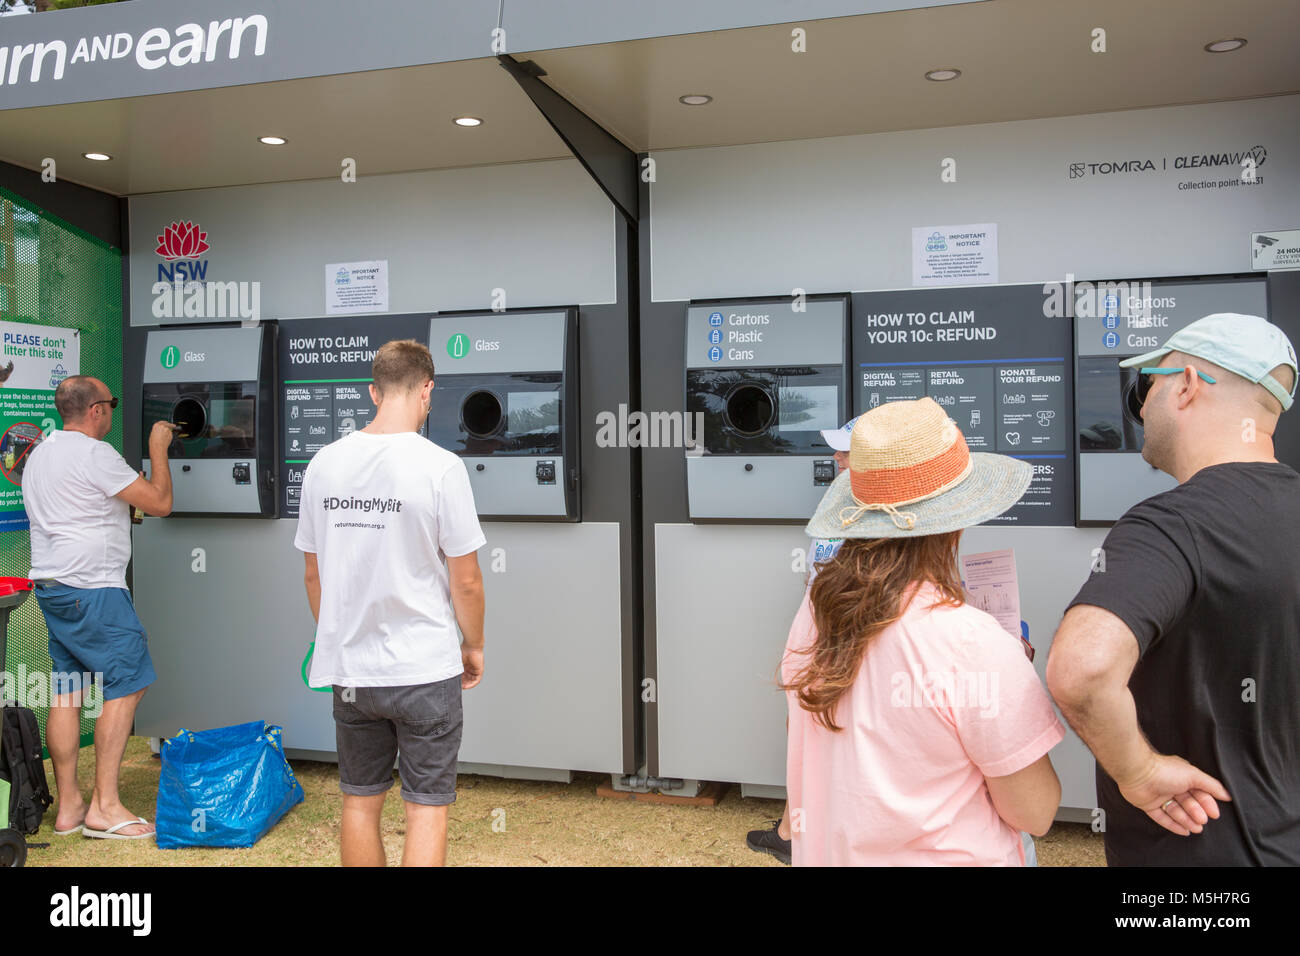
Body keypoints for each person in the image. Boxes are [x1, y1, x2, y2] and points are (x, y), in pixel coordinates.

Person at [1047, 313, 1300, 866]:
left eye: (1151, 384)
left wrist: (1139, 772)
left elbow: (1082, 671)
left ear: (1186, 384)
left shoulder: (1171, 524)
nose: (1142, 407)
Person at [782, 398, 1064, 865]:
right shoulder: (973, 641)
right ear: (955, 522)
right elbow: (1036, 811)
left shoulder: (815, 611)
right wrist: (1005, 676)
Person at [295, 339, 486, 867]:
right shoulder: (442, 467)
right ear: (427, 390)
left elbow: (314, 574)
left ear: (373, 391)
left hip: (353, 671)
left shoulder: (324, 464)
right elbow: (466, 581)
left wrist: (340, 635)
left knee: (359, 801)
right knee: (426, 808)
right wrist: (475, 645)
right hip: (425, 666)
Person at [22, 375, 178, 839]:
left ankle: (69, 805)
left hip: (52, 586)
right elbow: (161, 503)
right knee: (128, 685)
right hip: (94, 590)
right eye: (111, 403)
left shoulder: (41, 452)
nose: (112, 410)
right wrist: (158, 449)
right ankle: (104, 808)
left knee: (66, 691)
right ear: (95, 411)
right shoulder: (96, 455)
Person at [747, 416, 855, 865]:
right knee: (806, 725)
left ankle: (799, 830)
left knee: (823, 727)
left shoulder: (879, 516)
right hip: (820, 635)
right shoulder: (838, 502)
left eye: (846, 452)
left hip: (843, 639)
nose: (836, 458)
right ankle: (795, 827)